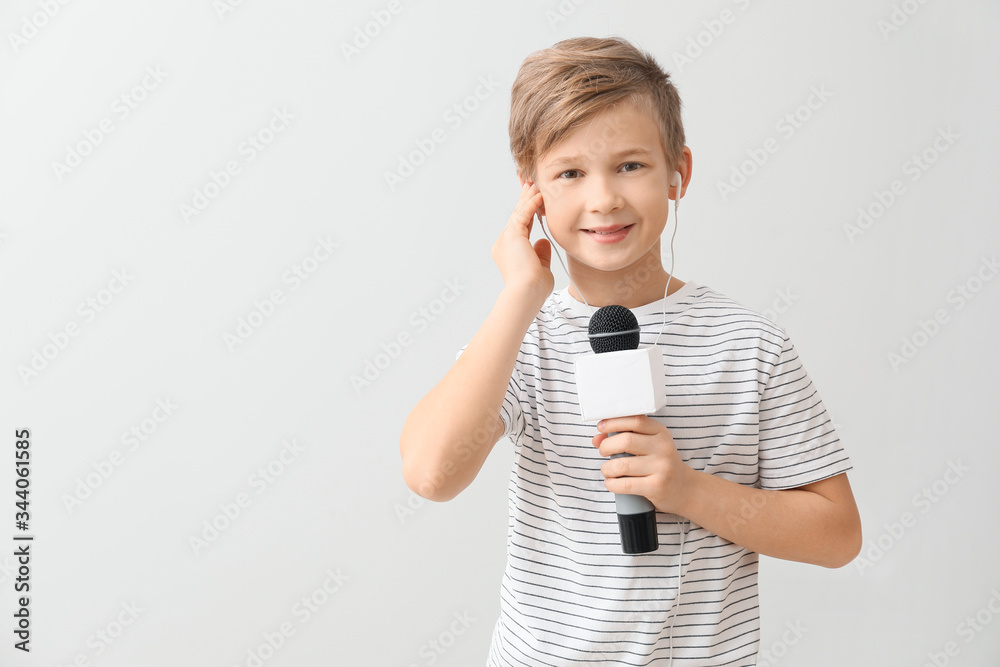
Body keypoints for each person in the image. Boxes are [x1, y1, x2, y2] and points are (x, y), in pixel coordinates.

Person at [400, 36, 861, 666]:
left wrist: (687, 490)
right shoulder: (520, 339)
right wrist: (519, 294)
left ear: (679, 173)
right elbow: (430, 474)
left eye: (630, 165)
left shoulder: (748, 344)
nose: (604, 199)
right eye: (569, 173)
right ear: (532, 192)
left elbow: (836, 536)